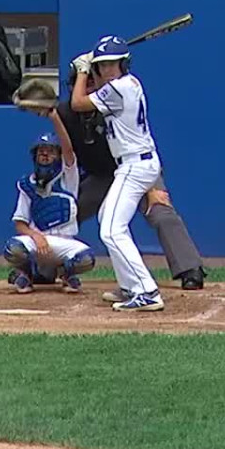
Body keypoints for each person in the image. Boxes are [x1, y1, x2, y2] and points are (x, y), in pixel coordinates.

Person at [55, 70, 207, 292]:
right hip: (101, 176)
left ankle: (190, 269)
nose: (88, 89)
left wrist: (151, 187)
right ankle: (40, 266)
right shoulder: (65, 113)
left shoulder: (114, 103)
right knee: (65, 212)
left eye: (92, 83)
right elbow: (68, 152)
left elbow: (142, 144)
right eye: (82, 84)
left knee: (160, 211)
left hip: (134, 168)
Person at [68, 35, 165, 312]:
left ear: (123, 64)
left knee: (111, 230)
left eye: (113, 64)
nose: (108, 69)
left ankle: (147, 291)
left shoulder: (119, 88)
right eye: (104, 65)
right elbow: (98, 92)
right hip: (135, 163)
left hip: (136, 165)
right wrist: (89, 69)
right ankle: (129, 285)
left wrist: (84, 69)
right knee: (107, 220)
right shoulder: (127, 85)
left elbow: (78, 103)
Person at [4, 108, 96, 294]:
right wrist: (35, 236)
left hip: (63, 243)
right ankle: (26, 272)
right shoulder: (27, 184)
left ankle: (66, 273)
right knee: (13, 249)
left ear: (58, 155)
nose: (45, 155)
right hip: (38, 242)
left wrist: (54, 117)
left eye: (50, 151)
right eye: (41, 152)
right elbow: (20, 223)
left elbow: (68, 149)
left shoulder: (68, 178)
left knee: (86, 258)